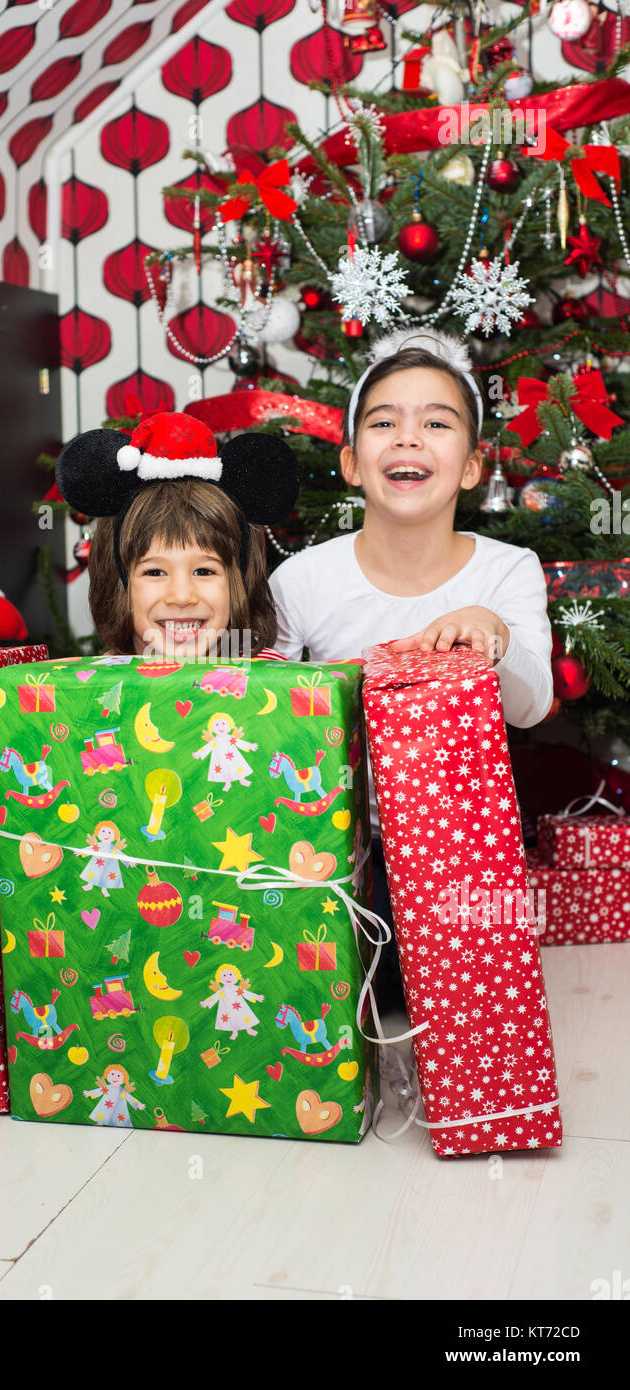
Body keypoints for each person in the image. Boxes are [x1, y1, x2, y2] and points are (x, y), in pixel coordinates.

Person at [269, 329, 554, 1009]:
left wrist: (494, 634)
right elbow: (263, 706)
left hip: (456, 845)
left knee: (461, 1004)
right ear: (349, 461)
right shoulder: (302, 579)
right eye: (383, 423)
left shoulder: (506, 571)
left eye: (435, 422)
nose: (407, 438)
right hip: (331, 845)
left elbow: (532, 705)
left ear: (470, 468)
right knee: (324, 992)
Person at [54, 410, 299, 661]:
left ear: (241, 581)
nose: (182, 597)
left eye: (204, 571)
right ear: (118, 583)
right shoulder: (87, 687)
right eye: (155, 572)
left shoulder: (279, 688)